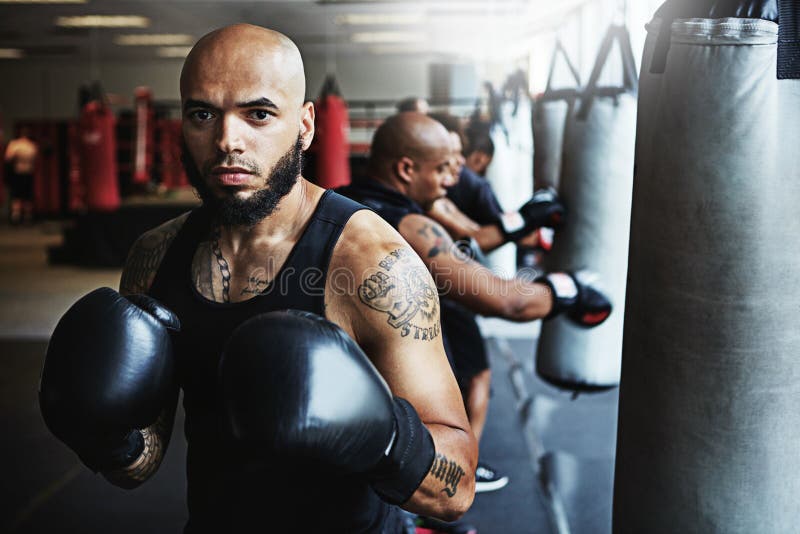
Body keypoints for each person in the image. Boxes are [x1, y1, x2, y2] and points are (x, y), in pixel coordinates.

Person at [38, 24, 478, 534]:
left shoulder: (372, 262)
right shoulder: (154, 255)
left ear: (306, 125)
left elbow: (458, 487)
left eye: (259, 114)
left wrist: (379, 433)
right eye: (203, 114)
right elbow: (142, 463)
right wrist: (108, 436)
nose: (227, 140)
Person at [337, 112, 612, 504]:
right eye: (441, 171)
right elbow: (508, 302)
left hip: (351, 375)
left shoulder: (340, 199)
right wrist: (568, 290)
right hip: (395, 384)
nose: (450, 181)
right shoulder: (411, 226)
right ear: (405, 168)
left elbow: (476, 234)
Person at [4, 126, 38, 224]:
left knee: (17, 196)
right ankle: (26, 216)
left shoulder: (15, 145)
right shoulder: (31, 145)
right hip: (26, 172)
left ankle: (17, 216)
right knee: (26, 196)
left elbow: (8, 158)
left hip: (19, 172)